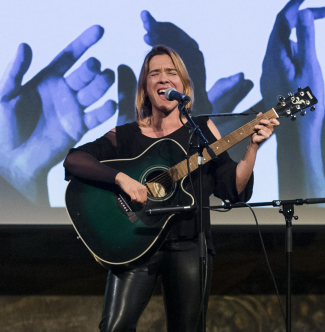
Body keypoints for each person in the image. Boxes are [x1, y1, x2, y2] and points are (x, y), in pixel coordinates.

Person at [64, 46, 278, 332]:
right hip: (134, 245)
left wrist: (252, 147)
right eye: (155, 73)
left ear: (183, 85)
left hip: (189, 244)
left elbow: (232, 188)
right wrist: (122, 179)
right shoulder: (127, 135)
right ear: (145, 87)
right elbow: (75, 160)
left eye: (171, 72)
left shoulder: (201, 130)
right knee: (114, 328)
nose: (163, 78)